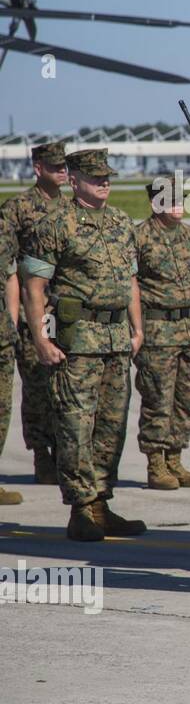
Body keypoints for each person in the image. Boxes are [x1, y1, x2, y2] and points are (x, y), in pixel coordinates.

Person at [21, 149, 146, 541]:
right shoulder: (56, 223)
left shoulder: (122, 223)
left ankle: (100, 504)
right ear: (74, 181)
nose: (104, 182)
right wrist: (41, 338)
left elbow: (130, 280)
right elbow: (34, 286)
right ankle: (80, 509)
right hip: (77, 341)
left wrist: (137, 328)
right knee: (75, 425)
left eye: (107, 176)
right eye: (95, 177)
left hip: (115, 338)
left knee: (111, 426)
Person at [0, 140, 67, 483]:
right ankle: (42, 454)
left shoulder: (73, 207)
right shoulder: (18, 208)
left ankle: (66, 455)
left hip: (67, 313)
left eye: (65, 166)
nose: (63, 172)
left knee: (66, 388)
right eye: (56, 167)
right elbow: (8, 267)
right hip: (34, 313)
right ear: (38, 168)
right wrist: (14, 320)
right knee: (39, 388)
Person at [134, 178, 190, 490]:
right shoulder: (139, 237)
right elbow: (130, 285)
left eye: (181, 199)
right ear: (155, 204)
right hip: (157, 331)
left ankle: (175, 458)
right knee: (157, 398)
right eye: (170, 199)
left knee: (185, 399)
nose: (178, 205)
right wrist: (136, 328)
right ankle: (156, 463)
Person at [0, 207, 23, 505]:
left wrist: (12, 322)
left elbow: (11, 276)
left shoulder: (3, 228)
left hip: (2, 334)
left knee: (2, 410)